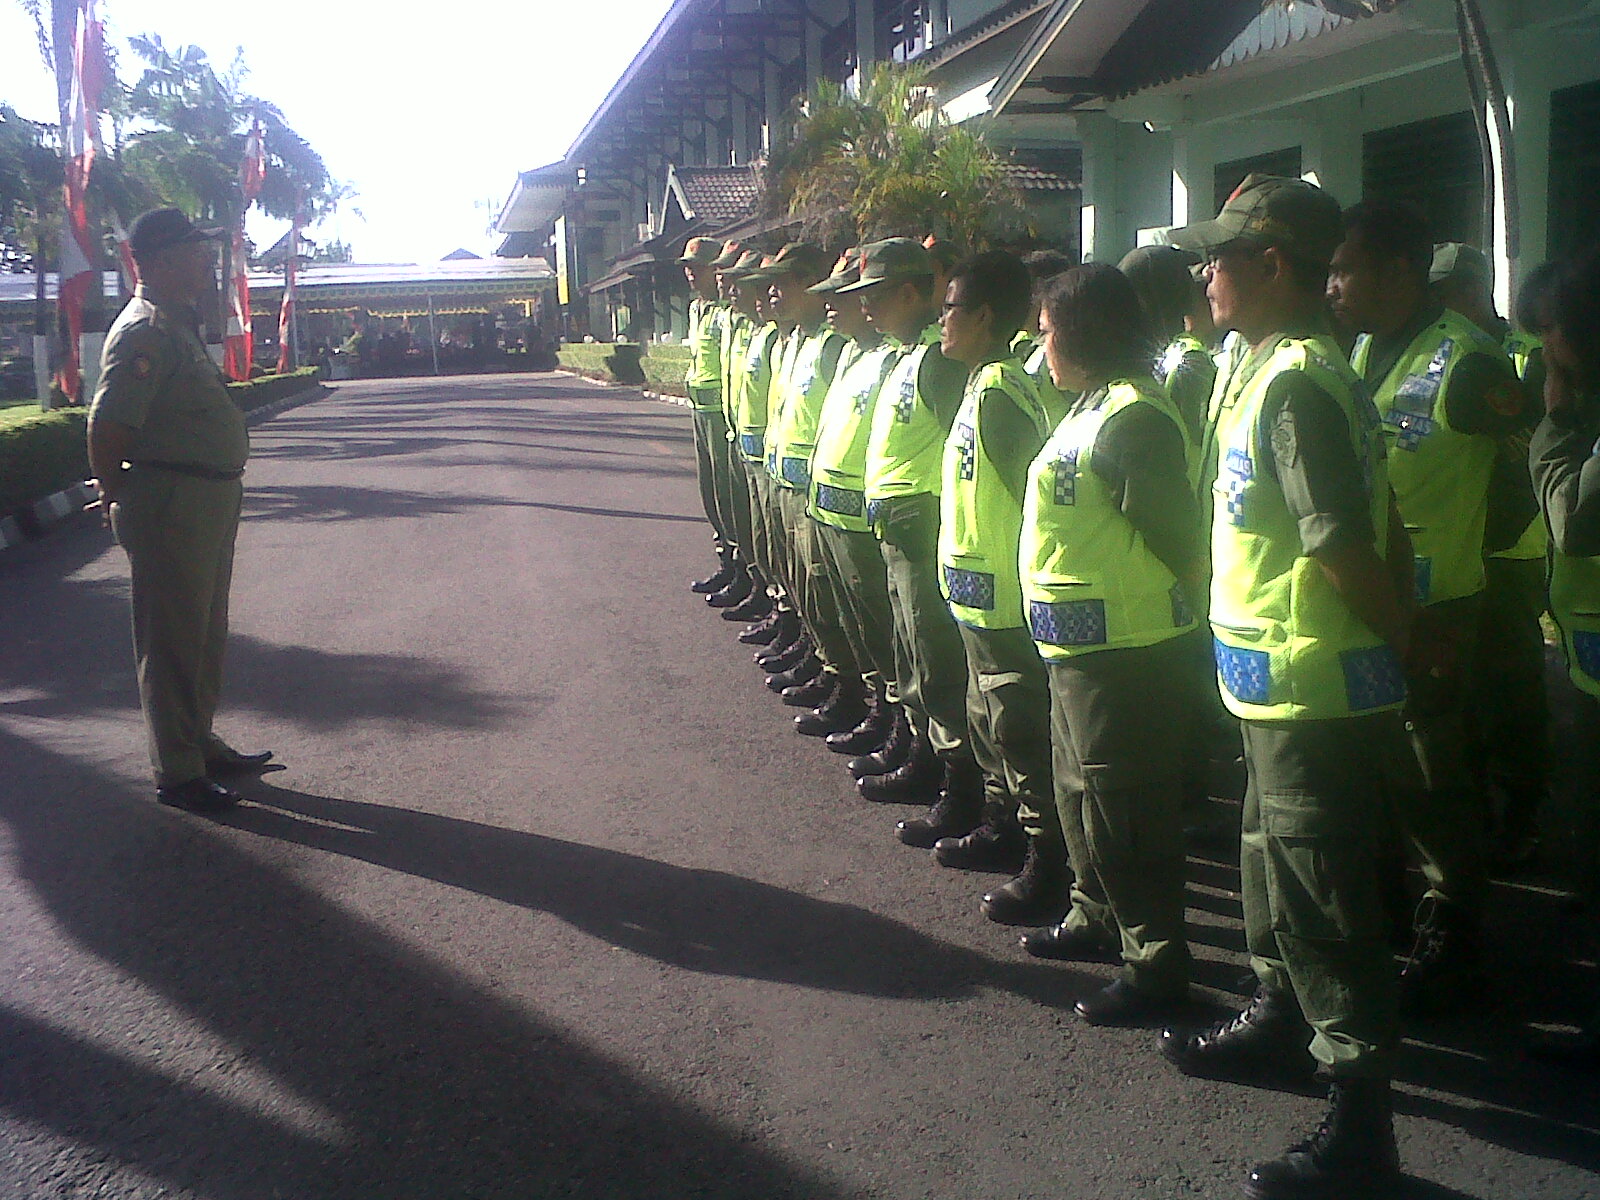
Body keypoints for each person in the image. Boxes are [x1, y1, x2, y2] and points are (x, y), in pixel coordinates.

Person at [1159, 175, 1412, 1197]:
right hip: (1271, 685)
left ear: (1271, 266)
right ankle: (1278, 1019)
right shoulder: (1265, 366)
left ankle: (1361, 1123)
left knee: (1324, 902)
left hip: (1313, 689)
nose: (1203, 274)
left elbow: (1343, 541)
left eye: (1216, 257)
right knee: (1270, 871)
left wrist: (1412, 641)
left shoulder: (1298, 380)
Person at [1329, 202, 1533, 1016]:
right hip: (1371, 601)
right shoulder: (1363, 349)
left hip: (1438, 607)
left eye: (1345, 269)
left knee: (1433, 777)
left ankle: (1454, 935)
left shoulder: (1470, 363)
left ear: (1398, 273)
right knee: (1380, 765)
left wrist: (1478, 549)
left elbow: (1527, 471)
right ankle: (1388, 912)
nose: (1332, 285)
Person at [1017, 262, 1202, 1023]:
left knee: (1126, 811)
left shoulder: (1134, 418)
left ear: (1084, 333)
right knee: (1081, 795)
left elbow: (1179, 540)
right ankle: (1095, 914)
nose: (1041, 343)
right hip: (1077, 651)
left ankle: (1155, 962)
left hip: (1126, 652)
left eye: (1048, 330)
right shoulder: (1089, 407)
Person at [901, 251, 1071, 927]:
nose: (940, 320)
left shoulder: (1000, 393)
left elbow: (1034, 500)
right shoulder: (981, 383)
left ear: (985, 317)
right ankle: (1002, 826)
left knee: (1020, 735)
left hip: (1002, 605)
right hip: (975, 598)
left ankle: (1048, 864)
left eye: (951, 308)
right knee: (989, 724)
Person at [86, 207, 275, 813]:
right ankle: (178, 771)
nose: (206, 260)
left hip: (204, 497)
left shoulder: (174, 324)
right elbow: (108, 427)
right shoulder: (144, 331)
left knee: (203, 632)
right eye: (197, 250)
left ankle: (198, 741)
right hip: (172, 501)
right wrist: (119, 493)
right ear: (163, 259)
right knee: (172, 638)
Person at [841, 239, 981, 826]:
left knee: (936, 662)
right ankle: (920, 752)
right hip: (894, 529)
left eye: (874, 295)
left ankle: (960, 787)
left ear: (907, 293)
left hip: (922, 530)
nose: (864, 307)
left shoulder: (938, 362)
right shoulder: (905, 355)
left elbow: (961, 447)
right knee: (909, 653)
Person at [1431, 243, 1552, 871]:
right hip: (1461, 551)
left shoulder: (1522, 357)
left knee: (1508, 692)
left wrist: (1491, 535)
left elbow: (1530, 464)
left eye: (1442, 292)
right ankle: (1475, 814)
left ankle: (1521, 817)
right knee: (1464, 696)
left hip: (1508, 553)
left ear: (1471, 293)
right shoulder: (1441, 353)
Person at [1528, 243, 1600, 1065]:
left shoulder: (1575, 416)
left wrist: (1552, 423)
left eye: (1551, 329)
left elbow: (1574, 521)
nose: (1543, 348)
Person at [805, 249, 906, 758]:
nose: (841, 306)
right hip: (830, 510)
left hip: (866, 523)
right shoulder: (850, 354)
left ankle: (897, 724)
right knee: (855, 624)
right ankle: (872, 706)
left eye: (862, 296)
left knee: (883, 631)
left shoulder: (897, 361)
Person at [681, 236, 736, 595]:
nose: (691, 274)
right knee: (710, 493)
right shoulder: (695, 309)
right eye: (688, 267)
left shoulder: (725, 311)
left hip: (719, 413)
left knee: (729, 495)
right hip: (699, 409)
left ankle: (743, 571)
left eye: (698, 267)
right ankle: (725, 563)